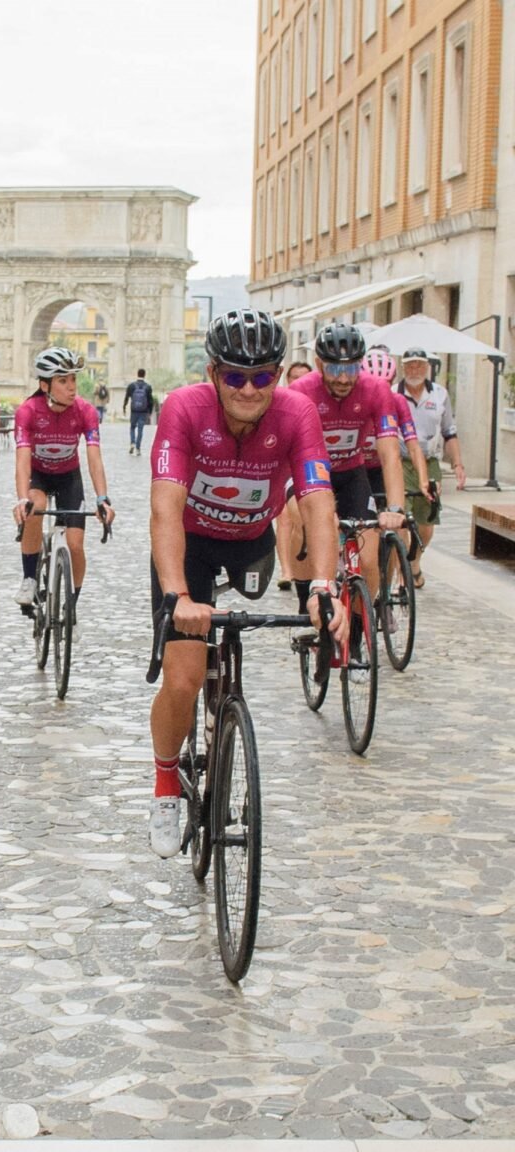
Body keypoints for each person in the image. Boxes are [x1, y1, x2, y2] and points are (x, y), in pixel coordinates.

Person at [146, 309, 348, 858]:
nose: (249, 389)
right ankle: (167, 782)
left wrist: (324, 585)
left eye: (263, 376)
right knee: (184, 678)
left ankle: (221, 699)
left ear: (279, 375)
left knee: (233, 627)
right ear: (213, 372)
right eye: (235, 376)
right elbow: (164, 509)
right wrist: (176, 595)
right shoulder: (184, 409)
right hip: (189, 547)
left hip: (251, 545)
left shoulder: (297, 413)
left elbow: (317, 501)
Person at [290, 322, 406, 600]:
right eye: (334, 368)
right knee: (308, 530)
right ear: (319, 365)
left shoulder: (376, 389)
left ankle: (356, 631)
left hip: (352, 473)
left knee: (368, 559)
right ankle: (307, 605)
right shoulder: (300, 390)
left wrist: (395, 508)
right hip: (308, 476)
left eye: (352, 368)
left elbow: (390, 454)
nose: (343, 378)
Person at [11, 346, 114, 613]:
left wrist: (102, 498)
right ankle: (30, 579)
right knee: (35, 505)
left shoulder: (85, 411)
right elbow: (22, 461)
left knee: (75, 545)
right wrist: (22, 498)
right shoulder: (28, 411)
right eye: (63, 381)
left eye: (73, 380)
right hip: (39, 476)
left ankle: (71, 607)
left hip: (69, 477)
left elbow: (94, 458)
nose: (72, 387)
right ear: (45, 385)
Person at [397, 347, 466, 587]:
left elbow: (450, 431)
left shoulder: (439, 395)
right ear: (403, 367)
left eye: (419, 364)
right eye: (409, 364)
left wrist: (457, 463)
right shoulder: (392, 393)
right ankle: (403, 568)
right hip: (401, 462)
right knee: (401, 516)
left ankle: (415, 560)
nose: (414, 369)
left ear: (427, 367)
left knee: (427, 520)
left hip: (430, 461)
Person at [360, 349, 430, 528]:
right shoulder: (355, 400)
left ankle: (400, 554)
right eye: (375, 384)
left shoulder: (397, 401)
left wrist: (424, 481)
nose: (381, 391)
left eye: (386, 384)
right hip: (355, 469)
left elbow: (413, 446)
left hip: (380, 469)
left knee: (398, 521)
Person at [274, 360, 314, 590]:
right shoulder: (281, 404)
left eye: (304, 377)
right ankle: (287, 570)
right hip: (286, 469)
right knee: (285, 518)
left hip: (309, 468)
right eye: (294, 377)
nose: (298, 381)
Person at [123, 368, 157, 455]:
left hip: (134, 410)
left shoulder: (132, 386)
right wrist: (149, 412)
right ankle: (138, 448)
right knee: (140, 430)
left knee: (132, 427)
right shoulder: (148, 387)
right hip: (143, 411)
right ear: (144, 375)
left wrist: (124, 406)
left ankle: (132, 443)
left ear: (137, 374)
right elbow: (150, 400)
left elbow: (127, 397)